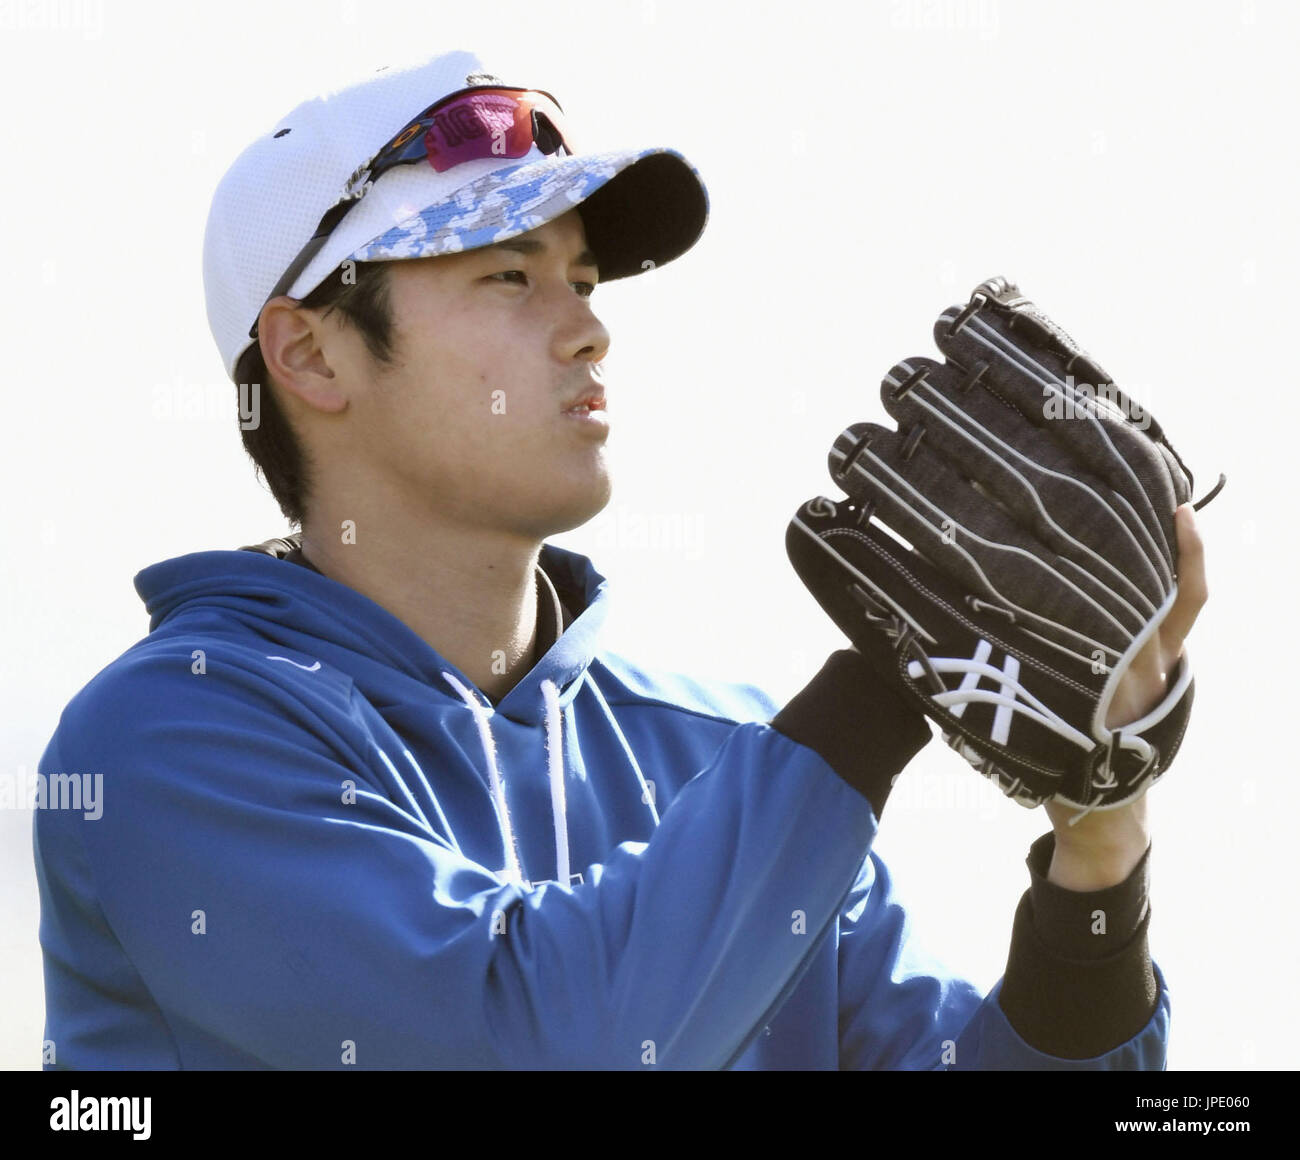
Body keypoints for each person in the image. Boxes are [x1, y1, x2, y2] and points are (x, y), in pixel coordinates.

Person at [33, 48, 1206, 1069]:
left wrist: (1099, 844)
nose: (588, 324)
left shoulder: (720, 757)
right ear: (310, 355)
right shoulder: (170, 741)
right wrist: (894, 674)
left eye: (583, 278)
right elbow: (547, 1044)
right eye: (506, 271)